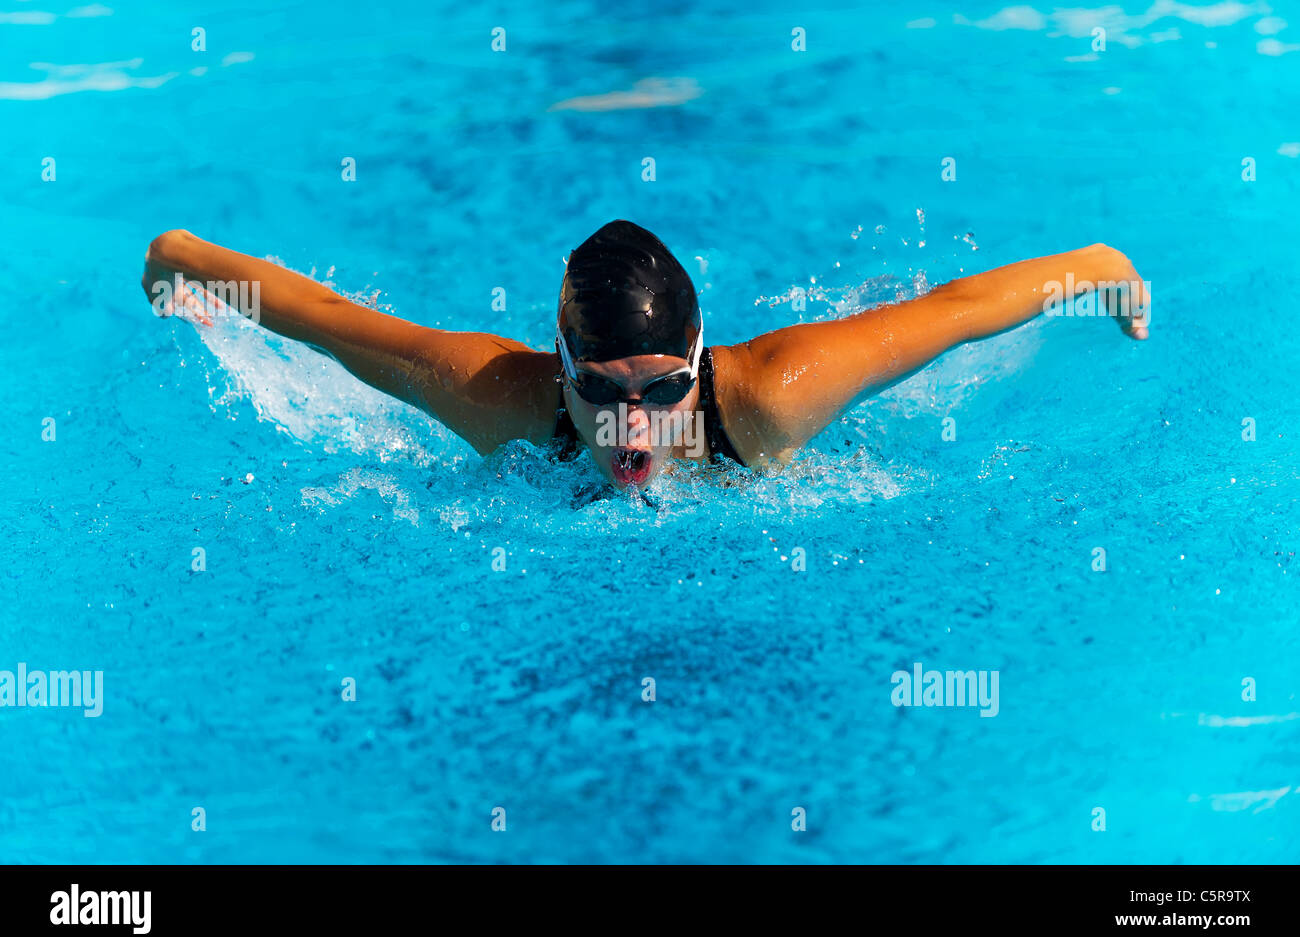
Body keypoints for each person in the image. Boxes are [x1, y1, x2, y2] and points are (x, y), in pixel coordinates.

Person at [141, 220, 1148, 487]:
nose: (630, 424)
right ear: (560, 367)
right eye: (600, 391)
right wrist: (181, 258)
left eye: (663, 389)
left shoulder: (771, 400)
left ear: (700, 364)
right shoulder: (497, 398)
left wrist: (1096, 266)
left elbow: (957, 310)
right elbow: (325, 317)